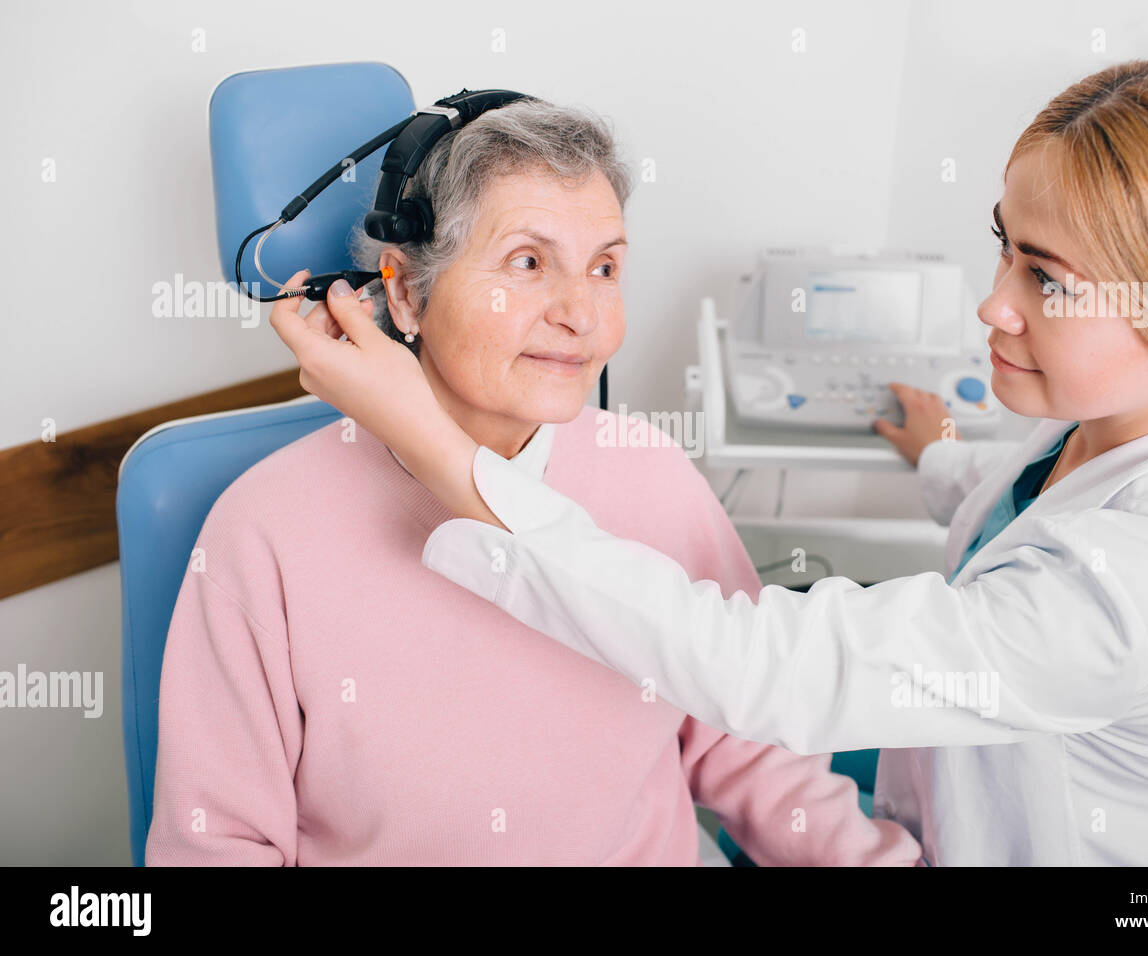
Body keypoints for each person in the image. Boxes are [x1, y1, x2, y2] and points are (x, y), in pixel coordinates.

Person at [271, 52, 1148, 866]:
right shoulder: (1134, 419)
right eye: (1005, 244)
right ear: (403, 290)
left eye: (1046, 279)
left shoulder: (1144, 582)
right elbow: (1016, 526)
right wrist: (936, 451)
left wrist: (433, 448)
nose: (993, 303)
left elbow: (749, 681)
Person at [147, 97, 920, 866]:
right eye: (527, 262)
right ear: (408, 290)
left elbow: (750, 753)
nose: (582, 315)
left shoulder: (650, 473)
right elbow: (217, 846)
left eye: (605, 266)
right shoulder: (264, 530)